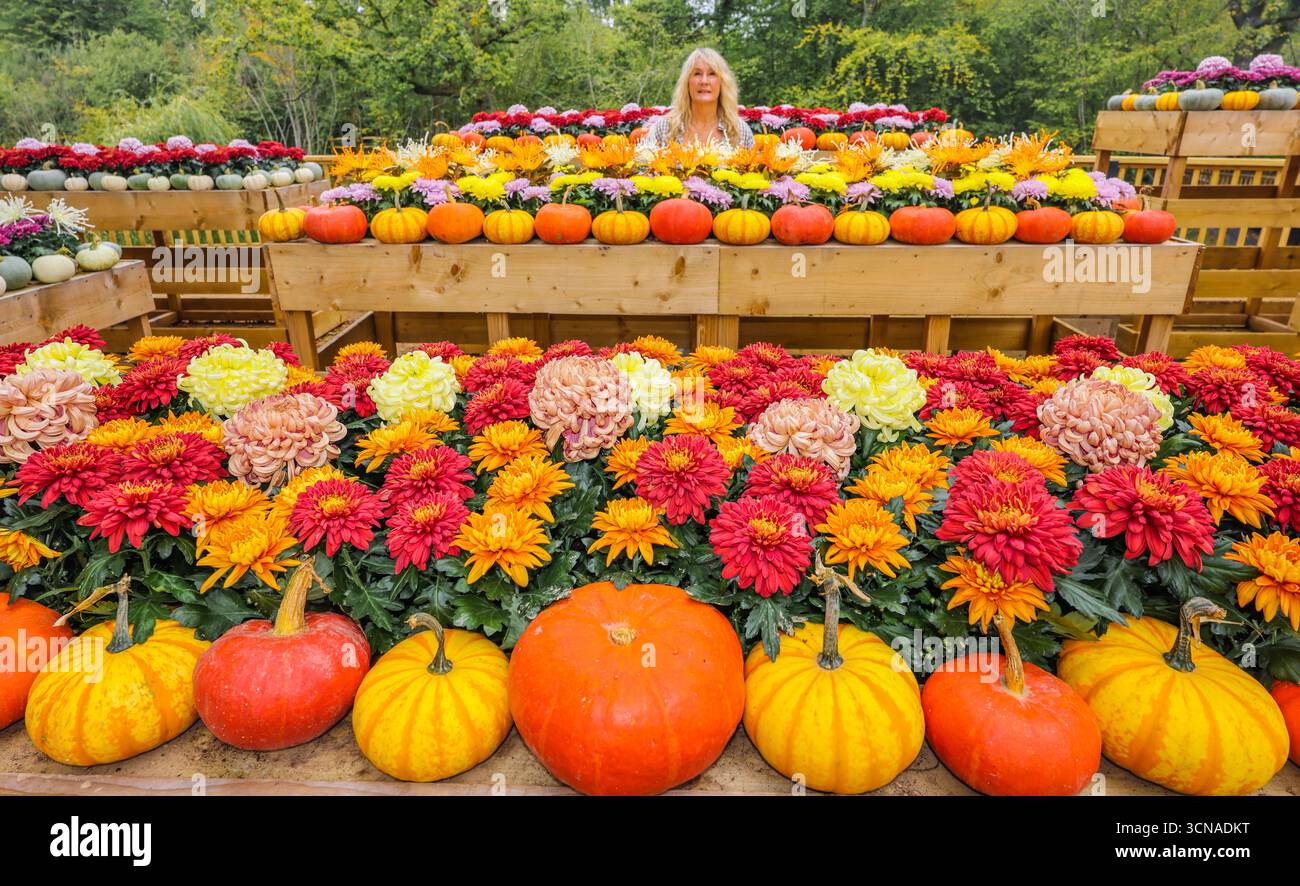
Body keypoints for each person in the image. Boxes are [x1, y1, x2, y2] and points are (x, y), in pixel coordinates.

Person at [647, 48, 755, 148]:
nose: (704, 81)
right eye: (697, 74)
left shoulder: (740, 131)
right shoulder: (664, 129)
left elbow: (754, 168)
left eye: (712, 74)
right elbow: (643, 167)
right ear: (687, 82)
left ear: (722, 82)